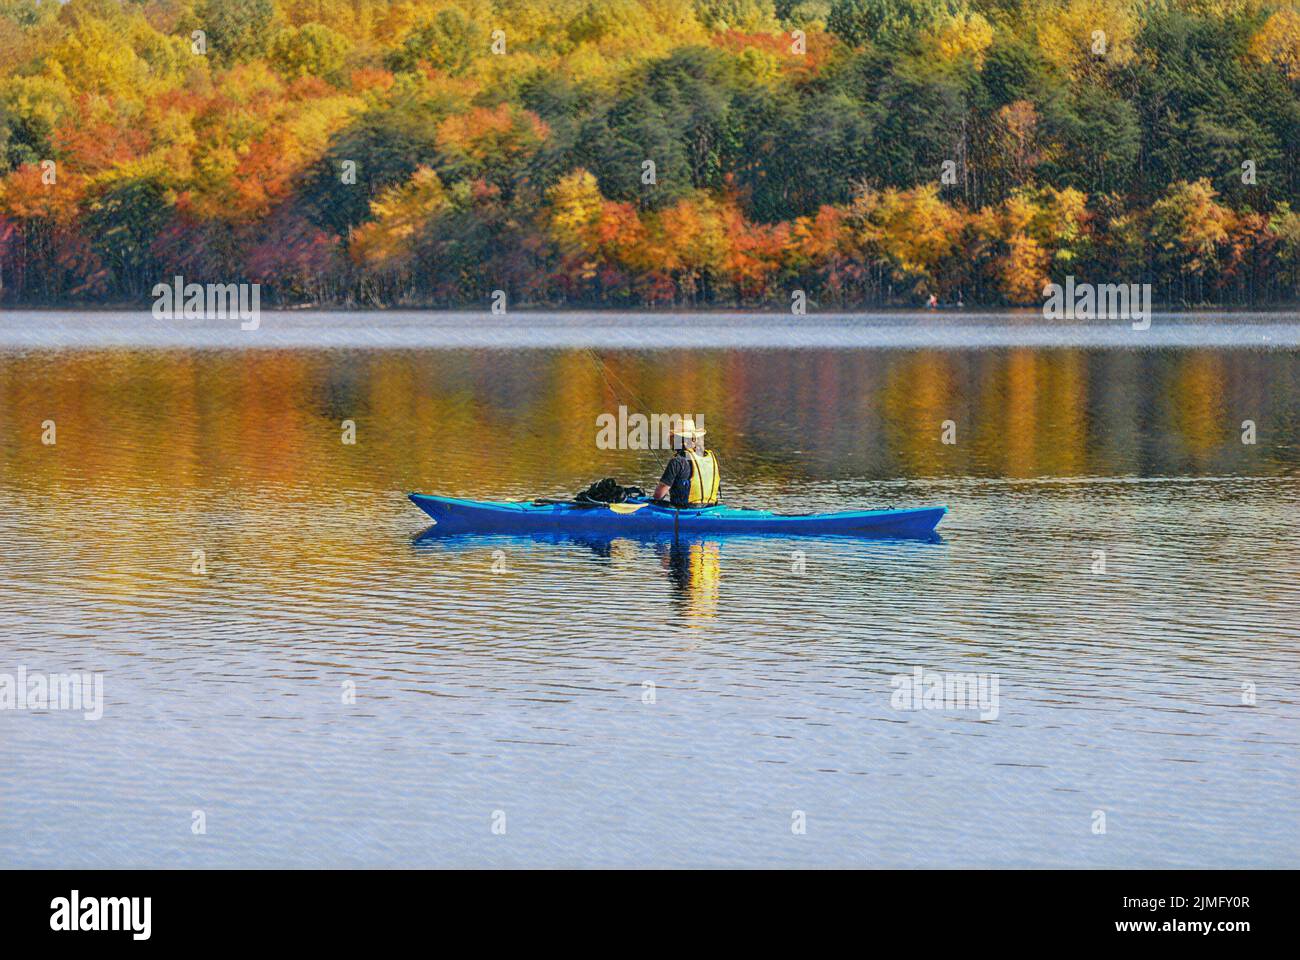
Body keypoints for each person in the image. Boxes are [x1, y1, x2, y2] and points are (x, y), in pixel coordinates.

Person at [652, 418, 720, 507]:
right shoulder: (710, 457)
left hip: (685, 511)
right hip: (710, 508)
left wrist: (654, 499)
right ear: (694, 439)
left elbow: (659, 495)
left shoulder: (676, 461)